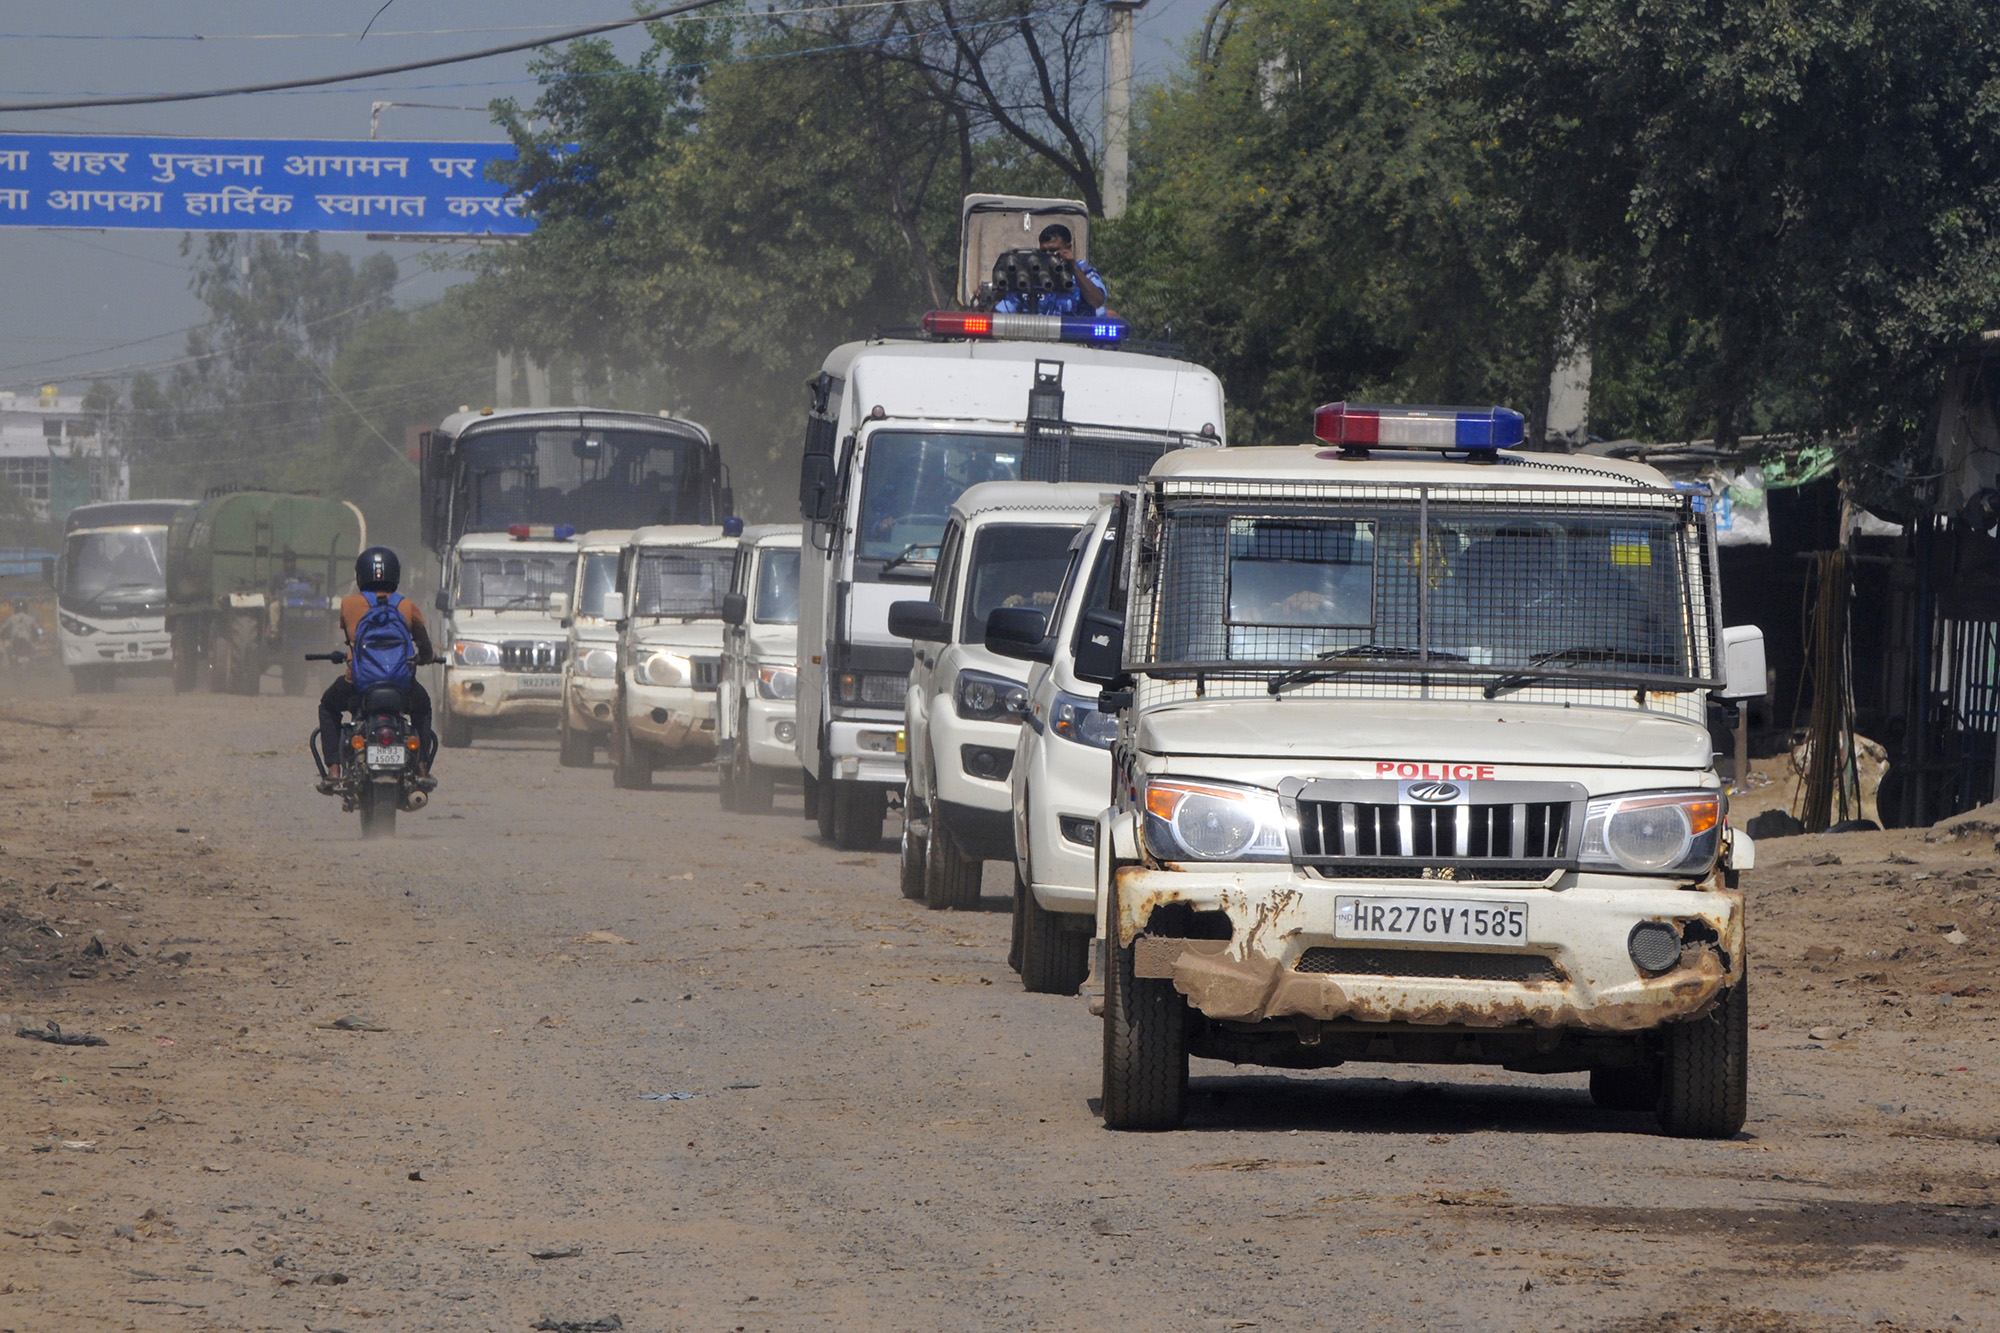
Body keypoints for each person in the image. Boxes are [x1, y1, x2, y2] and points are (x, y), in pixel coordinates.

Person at [317, 547, 438, 793]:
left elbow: (350, 638)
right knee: (422, 708)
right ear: (396, 574)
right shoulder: (407, 605)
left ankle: (334, 771)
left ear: (360, 574)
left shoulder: (349, 604)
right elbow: (424, 646)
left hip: (358, 684)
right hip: (400, 686)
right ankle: (422, 767)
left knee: (328, 707)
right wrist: (427, 657)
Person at [992, 223, 1107, 317]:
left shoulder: (1084, 271)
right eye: (1043, 252)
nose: (1048, 256)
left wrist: (1074, 268)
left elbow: (1097, 301)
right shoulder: (1031, 273)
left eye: (1053, 251)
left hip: (1073, 340)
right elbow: (1004, 310)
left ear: (1068, 248)